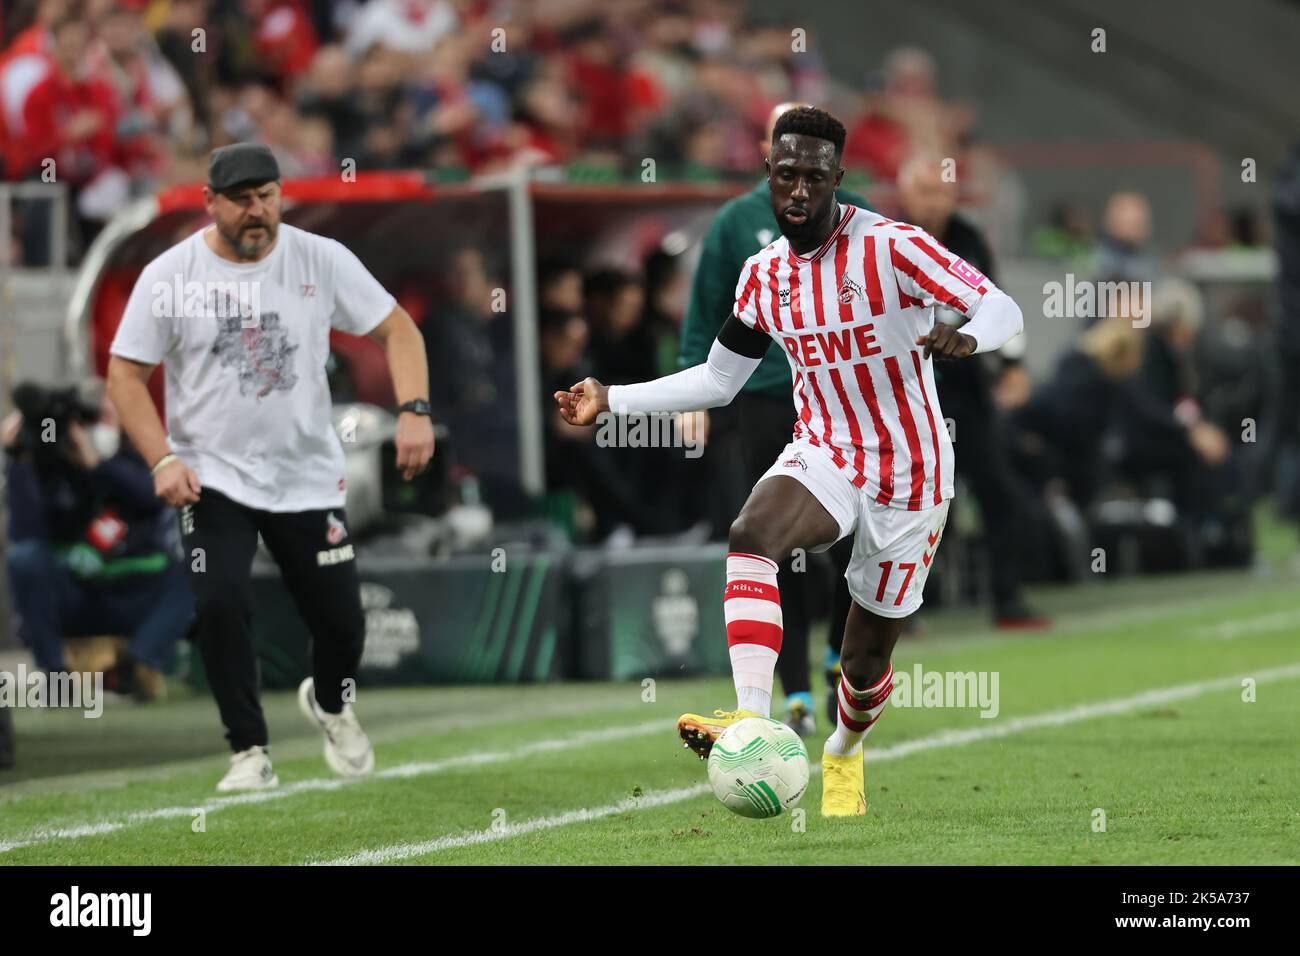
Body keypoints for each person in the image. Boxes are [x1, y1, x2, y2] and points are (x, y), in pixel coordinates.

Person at [555, 107, 1023, 816]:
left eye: (813, 176)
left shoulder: (893, 247)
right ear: (767, 178)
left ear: (838, 178)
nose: (798, 191)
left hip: (912, 473)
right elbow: (717, 380)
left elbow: (1001, 307)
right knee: (751, 535)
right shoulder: (763, 275)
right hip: (827, 450)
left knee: (864, 665)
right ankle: (750, 722)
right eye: (785, 175)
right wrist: (611, 399)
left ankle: (842, 748)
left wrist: (971, 340)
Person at [106, 143, 434, 792]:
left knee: (343, 624)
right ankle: (248, 751)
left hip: (305, 473)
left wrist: (414, 409)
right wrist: (161, 457)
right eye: (241, 199)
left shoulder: (320, 258)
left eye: (268, 196)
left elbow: (399, 330)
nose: (257, 211)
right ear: (211, 203)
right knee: (222, 602)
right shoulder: (171, 276)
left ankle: (333, 705)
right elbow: (124, 374)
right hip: (211, 474)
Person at [676, 101, 871, 738]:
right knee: (768, 542)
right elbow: (706, 311)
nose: (799, 184)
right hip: (763, 398)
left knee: (852, 548)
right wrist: (692, 394)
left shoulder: (863, 221)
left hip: (848, 405)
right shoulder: (736, 225)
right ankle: (789, 696)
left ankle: (843, 664)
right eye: (783, 161)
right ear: (768, 153)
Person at [891, 154, 1048, 629]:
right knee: (907, 504)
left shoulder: (969, 239)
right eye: (925, 192)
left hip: (968, 387)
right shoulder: (885, 240)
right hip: (910, 392)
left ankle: (1008, 599)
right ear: (905, 195)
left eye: (942, 192)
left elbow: (997, 303)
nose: (935, 203)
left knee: (997, 490)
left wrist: (1013, 364)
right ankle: (899, 611)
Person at [3, 383, 192, 698]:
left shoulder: (145, 454)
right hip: (78, 593)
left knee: (197, 572)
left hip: (135, 592)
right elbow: (26, 533)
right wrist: (23, 460)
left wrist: (96, 466)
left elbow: (152, 497)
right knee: (24, 558)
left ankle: (133, 667)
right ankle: (56, 680)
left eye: (107, 414)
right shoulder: (47, 463)